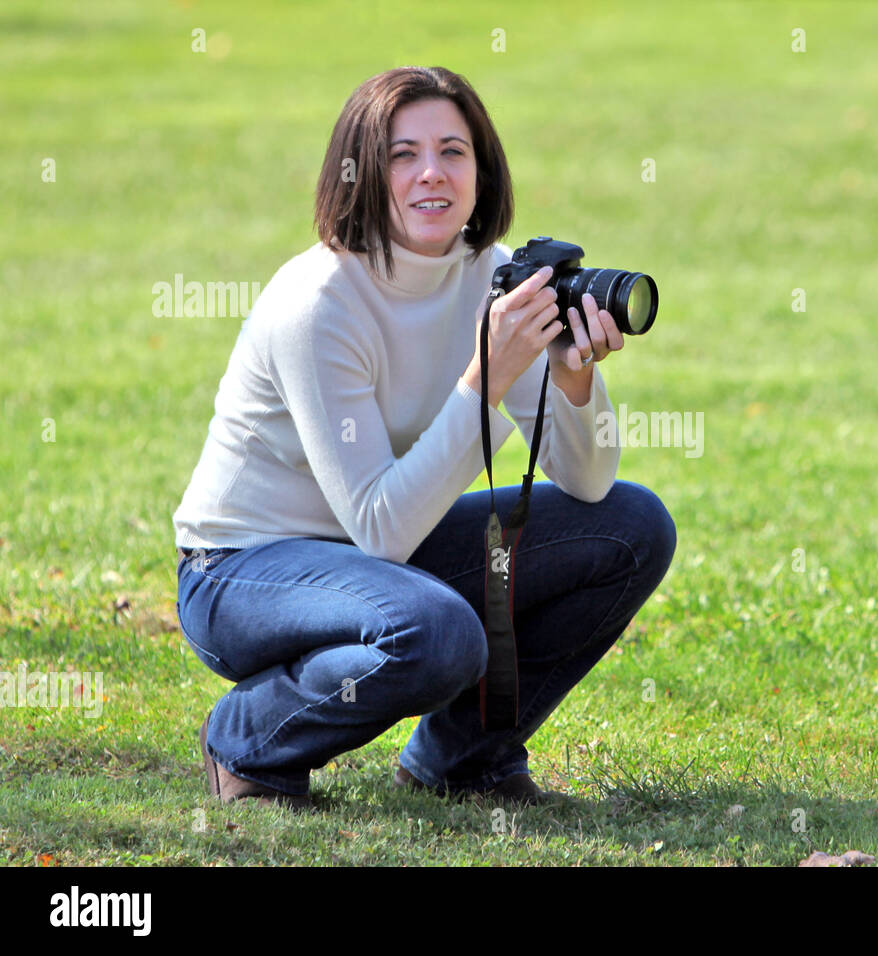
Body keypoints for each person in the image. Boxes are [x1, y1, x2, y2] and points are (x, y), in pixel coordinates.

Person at [172, 66, 676, 810]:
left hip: (376, 561)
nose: (431, 174)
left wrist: (574, 385)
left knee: (632, 526)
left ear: (483, 169)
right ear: (363, 175)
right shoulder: (319, 304)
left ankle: (462, 759)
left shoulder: (499, 279)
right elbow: (379, 530)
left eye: (453, 151)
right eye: (402, 155)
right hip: (242, 571)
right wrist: (486, 381)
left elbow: (589, 486)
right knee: (437, 632)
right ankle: (245, 739)